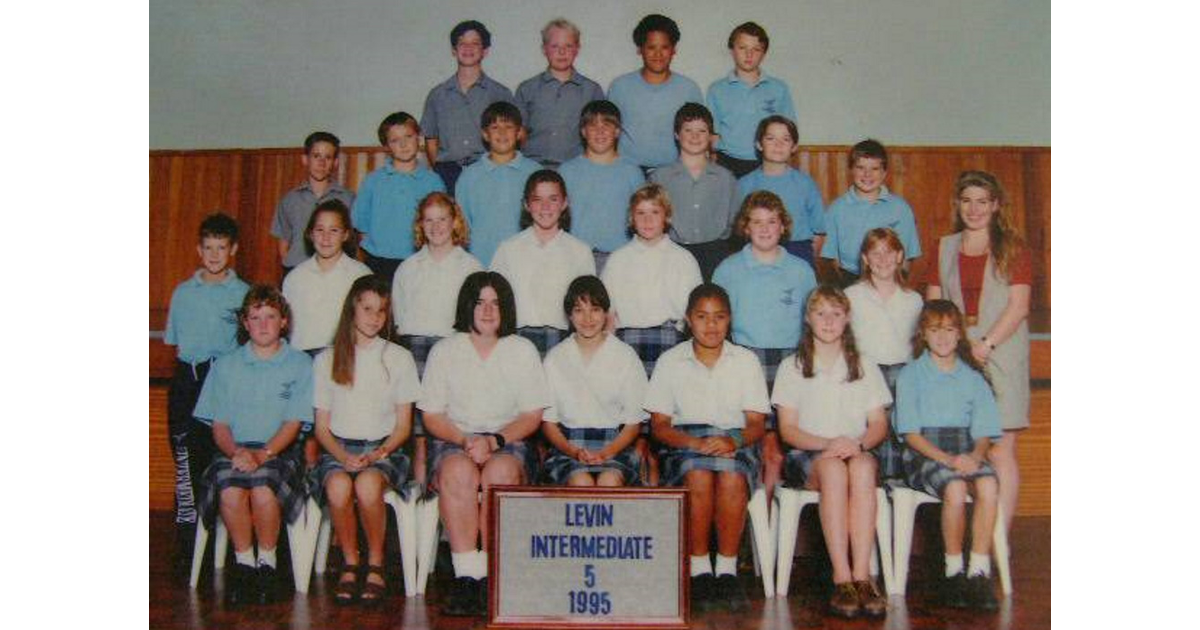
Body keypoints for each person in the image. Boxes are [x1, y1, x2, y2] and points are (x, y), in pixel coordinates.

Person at [418, 271, 549, 616]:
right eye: (480, 303)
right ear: (467, 307)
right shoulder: (445, 351)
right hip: (456, 439)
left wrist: (495, 440)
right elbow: (432, 415)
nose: (488, 311)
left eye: (496, 303)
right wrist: (465, 440)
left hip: (508, 440)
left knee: (501, 472)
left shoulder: (522, 350)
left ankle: (494, 575)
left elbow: (532, 415)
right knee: (458, 471)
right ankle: (467, 576)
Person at [646, 283, 769, 613]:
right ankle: (699, 569)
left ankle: (727, 570)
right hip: (684, 444)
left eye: (719, 317)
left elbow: (757, 423)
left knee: (730, 477)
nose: (711, 325)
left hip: (735, 442)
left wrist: (734, 441)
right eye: (702, 317)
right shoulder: (671, 361)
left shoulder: (745, 361)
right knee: (699, 474)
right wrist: (694, 443)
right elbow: (659, 426)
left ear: (730, 320)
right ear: (689, 320)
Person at [772, 286, 891, 618]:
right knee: (835, 470)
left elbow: (878, 423)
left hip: (854, 449)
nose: (828, 321)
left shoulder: (864, 365)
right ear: (808, 318)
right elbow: (788, 430)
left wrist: (858, 444)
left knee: (864, 468)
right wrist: (828, 444)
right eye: (820, 313)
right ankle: (842, 578)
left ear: (847, 319)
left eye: (836, 313)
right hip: (808, 454)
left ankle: (863, 576)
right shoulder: (791, 366)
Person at [193, 286, 313, 606]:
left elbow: (293, 423)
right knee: (230, 488)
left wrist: (263, 454)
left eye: (270, 317)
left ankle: (267, 564)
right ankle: (244, 563)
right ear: (245, 324)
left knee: (262, 488)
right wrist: (236, 452)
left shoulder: (300, 364)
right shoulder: (226, 365)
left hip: (279, 450)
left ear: (283, 321)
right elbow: (219, 425)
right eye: (255, 317)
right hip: (235, 449)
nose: (262, 324)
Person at [926, 170, 1030, 537]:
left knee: (1001, 448)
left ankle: (995, 542)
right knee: (967, 445)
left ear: (996, 205)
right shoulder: (945, 246)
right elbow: (935, 303)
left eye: (982, 202)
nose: (974, 209)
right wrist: (948, 344)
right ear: (958, 204)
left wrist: (986, 343)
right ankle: (971, 540)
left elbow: (1018, 306)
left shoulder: (1012, 246)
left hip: (1000, 353)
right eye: (967, 200)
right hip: (957, 355)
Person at [311, 275, 420, 605]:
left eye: (382, 311)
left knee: (368, 486)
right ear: (352, 310)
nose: (374, 317)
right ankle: (349, 560)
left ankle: (376, 562)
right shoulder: (327, 359)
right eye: (367, 308)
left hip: (385, 448)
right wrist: (342, 456)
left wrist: (376, 455)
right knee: (339, 486)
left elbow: (403, 427)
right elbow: (321, 428)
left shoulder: (399, 358)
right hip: (339, 447)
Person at [712, 190, 817, 510]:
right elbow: (717, 327)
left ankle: (769, 528)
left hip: (789, 362)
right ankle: (742, 530)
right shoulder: (728, 269)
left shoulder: (801, 270)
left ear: (783, 226)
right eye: (756, 221)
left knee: (777, 450)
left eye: (772, 221)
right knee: (747, 448)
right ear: (746, 226)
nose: (765, 228)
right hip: (744, 362)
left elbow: (813, 325)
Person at [896, 299, 1002, 611]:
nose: (942, 337)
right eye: (934, 330)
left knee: (989, 486)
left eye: (950, 329)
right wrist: (949, 460)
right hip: (925, 452)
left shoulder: (973, 377)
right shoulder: (911, 375)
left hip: (967, 450)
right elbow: (911, 435)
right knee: (954, 488)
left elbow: (984, 432)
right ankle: (953, 571)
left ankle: (978, 571)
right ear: (923, 335)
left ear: (960, 335)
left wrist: (975, 455)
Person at [163, 212, 250, 567]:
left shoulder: (242, 293)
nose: (215, 254)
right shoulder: (183, 292)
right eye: (208, 248)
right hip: (189, 379)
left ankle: (226, 543)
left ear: (233, 250)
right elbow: (177, 344)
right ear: (199, 251)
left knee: (221, 456)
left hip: (224, 381)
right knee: (186, 461)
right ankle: (189, 541)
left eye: (222, 248)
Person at [392, 192, 483, 488]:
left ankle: (451, 497)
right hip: (415, 350)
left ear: (454, 221)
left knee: (450, 424)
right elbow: (400, 317)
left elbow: (476, 319)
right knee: (420, 432)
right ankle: (421, 499)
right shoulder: (408, 268)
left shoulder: (471, 267)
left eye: (442, 219)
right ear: (420, 225)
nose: (436, 226)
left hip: (454, 351)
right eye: (428, 220)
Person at [541, 276, 647, 487]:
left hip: (616, 445)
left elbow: (633, 424)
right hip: (568, 446)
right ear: (569, 315)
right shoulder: (555, 358)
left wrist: (607, 452)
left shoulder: (625, 355)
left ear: (606, 313)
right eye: (579, 310)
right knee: (581, 483)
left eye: (595, 309)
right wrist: (574, 451)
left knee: (609, 481)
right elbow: (549, 423)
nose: (587, 318)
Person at [490, 169, 595, 356]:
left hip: (564, 340)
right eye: (537, 200)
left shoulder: (580, 251)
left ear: (565, 203)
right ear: (526, 205)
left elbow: (586, 307)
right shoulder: (508, 249)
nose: (545, 207)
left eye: (553, 199)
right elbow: (496, 303)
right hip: (516, 340)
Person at [845, 228, 923, 479]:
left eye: (889, 252)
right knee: (869, 435)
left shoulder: (913, 300)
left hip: (903, 376)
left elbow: (918, 347)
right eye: (875, 253)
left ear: (900, 256)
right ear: (865, 259)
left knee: (899, 436)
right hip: (865, 376)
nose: (882, 259)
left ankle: (898, 491)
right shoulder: (851, 296)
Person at [421, 20, 515, 194]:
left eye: (475, 43)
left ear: (485, 51)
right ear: (453, 50)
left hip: (487, 170)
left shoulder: (500, 93)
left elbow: (511, 136)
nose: (468, 48)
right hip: (447, 172)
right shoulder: (437, 95)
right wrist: (442, 169)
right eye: (462, 43)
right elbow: (431, 141)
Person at [351, 112, 446, 282]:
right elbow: (362, 227)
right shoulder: (373, 181)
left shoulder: (433, 181)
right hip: (379, 261)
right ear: (387, 146)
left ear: (419, 138)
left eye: (408, 136)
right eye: (395, 140)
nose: (403, 144)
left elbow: (442, 224)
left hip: (420, 260)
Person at [650, 103, 739, 280]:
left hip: (715, 254)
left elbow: (734, 220)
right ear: (677, 134)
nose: (695, 136)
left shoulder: (725, 178)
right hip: (673, 253)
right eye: (688, 130)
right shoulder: (660, 178)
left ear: (711, 136)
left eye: (702, 131)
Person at [607, 14, 703, 172]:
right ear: (640, 49)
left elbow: (700, 135)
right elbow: (609, 133)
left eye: (664, 47)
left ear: (674, 50)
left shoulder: (689, 89)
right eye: (651, 47)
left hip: (673, 172)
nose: (658, 54)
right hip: (628, 170)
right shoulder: (620, 87)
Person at [557, 100, 646, 269]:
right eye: (592, 125)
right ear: (583, 131)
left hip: (620, 258)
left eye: (607, 125)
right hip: (575, 258)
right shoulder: (566, 171)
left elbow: (640, 218)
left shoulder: (632, 171)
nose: (600, 131)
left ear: (617, 131)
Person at [821, 139, 921, 287]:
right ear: (851, 170)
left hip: (888, 278)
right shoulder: (837, 208)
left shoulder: (901, 209)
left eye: (874, 169)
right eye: (860, 167)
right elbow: (831, 259)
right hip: (849, 280)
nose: (867, 174)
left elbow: (906, 259)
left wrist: (896, 287)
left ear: (884, 173)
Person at [706, 22, 797, 178]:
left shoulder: (779, 89)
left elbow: (790, 130)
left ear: (764, 53)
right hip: (728, 164)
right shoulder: (717, 90)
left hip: (768, 162)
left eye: (756, 49)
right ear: (732, 50)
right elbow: (711, 135)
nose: (749, 55)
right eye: (743, 48)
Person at [282, 199, 372, 355]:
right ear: (310, 234)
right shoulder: (295, 278)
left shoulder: (361, 275)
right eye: (320, 230)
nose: (326, 238)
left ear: (345, 235)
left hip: (344, 358)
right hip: (302, 359)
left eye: (334, 230)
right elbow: (286, 328)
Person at [457, 101, 541, 267]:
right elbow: (462, 224)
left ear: (519, 133)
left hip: (525, 261)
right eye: (495, 127)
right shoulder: (469, 176)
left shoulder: (535, 172)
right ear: (485, 134)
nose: (502, 132)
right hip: (480, 260)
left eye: (509, 127)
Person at [514, 18, 605, 168]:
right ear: (544, 49)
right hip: (533, 168)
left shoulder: (592, 90)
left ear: (577, 49)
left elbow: (599, 134)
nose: (562, 52)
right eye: (555, 46)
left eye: (568, 46)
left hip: (577, 167)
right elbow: (517, 134)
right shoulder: (527, 89)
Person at [736, 115, 825, 264]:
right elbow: (740, 228)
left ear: (794, 146)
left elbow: (819, 232)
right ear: (759, 144)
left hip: (797, 250)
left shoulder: (806, 184)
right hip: (757, 249)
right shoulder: (744, 184)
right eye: (771, 138)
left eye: (785, 139)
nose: (778, 144)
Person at [270, 131, 356, 272]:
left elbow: (353, 242)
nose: (321, 163)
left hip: (335, 271)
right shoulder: (290, 200)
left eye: (327, 157)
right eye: (316, 156)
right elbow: (284, 243)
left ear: (335, 163)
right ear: (305, 159)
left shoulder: (348, 199)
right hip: (296, 269)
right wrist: (295, 271)